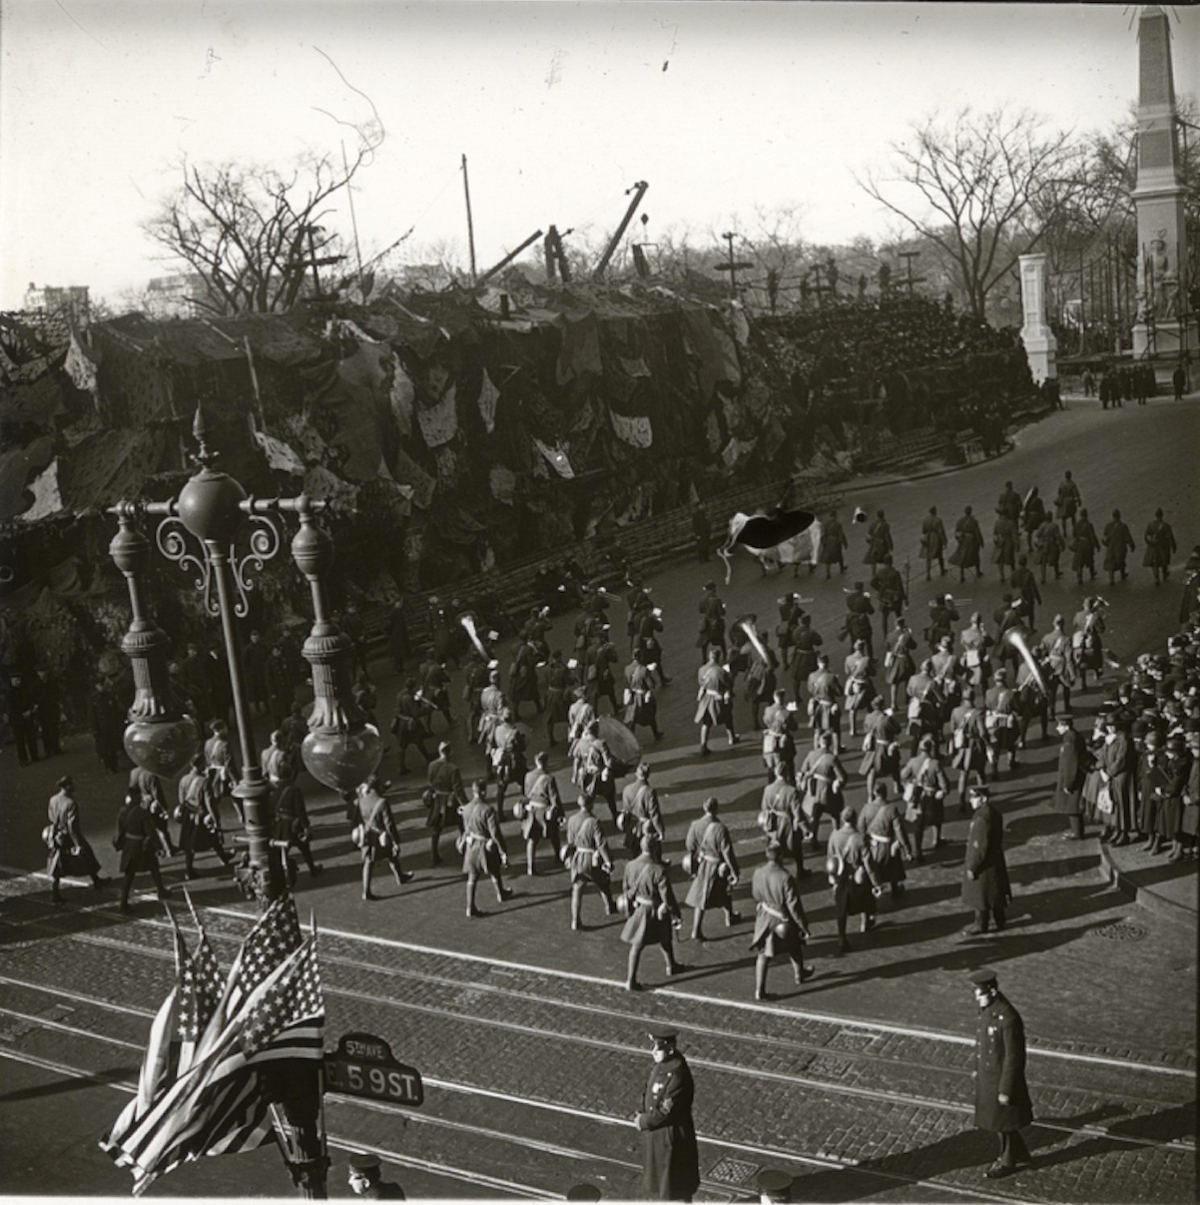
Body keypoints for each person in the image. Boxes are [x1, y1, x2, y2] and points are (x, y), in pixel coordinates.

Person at [968, 968, 1034, 1179]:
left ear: (993, 991)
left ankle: (1008, 1162)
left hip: (1001, 1082)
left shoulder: (1008, 1018)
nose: (977, 998)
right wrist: (978, 1070)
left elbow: (1014, 1058)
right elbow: (983, 1043)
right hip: (989, 1078)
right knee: (1001, 1122)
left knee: (1003, 1123)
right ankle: (1021, 1154)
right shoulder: (989, 1010)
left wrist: (1006, 1089)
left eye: (980, 993)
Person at [634, 1026, 700, 1202]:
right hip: (660, 1138)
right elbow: (647, 1090)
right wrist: (641, 1109)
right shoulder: (662, 1066)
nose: (653, 1052)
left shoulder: (677, 1073)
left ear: (670, 1048)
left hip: (672, 1140)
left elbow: (666, 1111)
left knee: (675, 1188)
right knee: (665, 1187)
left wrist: (644, 1121)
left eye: (658, 1048)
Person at [620, 833, 686, 991]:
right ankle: (669, 966)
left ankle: (632, 978)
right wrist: (675, 913)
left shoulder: (631, 865)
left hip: (639, 908)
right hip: (655, 910)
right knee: (664, 937)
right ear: (656, 848)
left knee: (639, 944)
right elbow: (667, 896)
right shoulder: (659, 870)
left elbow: (626, 888)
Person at [748, 842, 813, 999]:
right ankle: (799, 974)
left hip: (764, 917)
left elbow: (755, 895)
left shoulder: (758, 873)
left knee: (763, 954)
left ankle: (759, 989)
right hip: (781, 919)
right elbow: (794, 905)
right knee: (795, 945)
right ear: (781, 857)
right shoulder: (785, 877)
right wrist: (803, 926)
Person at [826, 806, 883, 951]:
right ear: (855, 819)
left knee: (841, 909)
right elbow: (868, 862)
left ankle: (841, 937)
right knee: (866, 899)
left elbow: (830, 857)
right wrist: (876, 883)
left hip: (840, 876)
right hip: (857, 876)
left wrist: (831, 877)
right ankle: (865, 923)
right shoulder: (860, 838)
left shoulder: (835, 835)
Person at [683, 797, 739, 941]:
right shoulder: (720, 828)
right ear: (716, 809)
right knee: (722, 892)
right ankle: (727, 918)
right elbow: (727, 851)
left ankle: (698, 928)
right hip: (718, 866)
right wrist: (734, 870)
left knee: (702, 896)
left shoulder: (695, 825)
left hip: (703, 865)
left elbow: (690, 846)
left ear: (704, 807)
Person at [46, 775, 106, 903]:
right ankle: (96, 880)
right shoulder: (70, 803)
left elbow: (51, 817)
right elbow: (72, 826)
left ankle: (55, 893)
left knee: (57, 864)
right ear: (67, 787)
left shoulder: (53, 800)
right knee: (86, 854)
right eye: (71, 784)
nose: (73, 786)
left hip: (57, 835)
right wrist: (77, 844)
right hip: (68, 836)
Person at [353, 775, 414, 902]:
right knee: (391, 854)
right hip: (380, 835)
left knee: (369, 862)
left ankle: (368, 889)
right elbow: (389, 824)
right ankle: (370, 891)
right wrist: (395, 841)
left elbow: (357, 817)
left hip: (367, 833)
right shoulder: (382, 802)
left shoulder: (361, 799)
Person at [961, 786, 1012, 936]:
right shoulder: (994, 814)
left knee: (981, 895)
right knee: (996, 891)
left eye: (974, 797)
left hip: (983, 865)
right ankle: (1000, 920)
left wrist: (972, 866)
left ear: (983, 799)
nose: (971, 801)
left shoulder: (982, 818)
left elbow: (979, 846)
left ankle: (980, 924)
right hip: (995, 859)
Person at [177, 753, 234, 879]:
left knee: (188, 843)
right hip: (201, 815)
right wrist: (215, 818)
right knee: (212, 836)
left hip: (189, 814)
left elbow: (181, 800)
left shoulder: (183, 779)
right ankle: (223, 857)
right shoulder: (204, 781)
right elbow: (209, 802)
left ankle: (189, 869)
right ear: (200, 764)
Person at [459, 781, 512, 917]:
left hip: (471, 846)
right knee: (494, 869)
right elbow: (495, 833)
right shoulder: (487, 809)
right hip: (485, 847)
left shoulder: (466, 808)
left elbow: (466, 829)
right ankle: (501, 894)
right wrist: (503, 851)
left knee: (472, 876)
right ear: (483, 791)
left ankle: (470, 907)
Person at [563, 794, 616, 929]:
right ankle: (609, 906)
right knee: (603, 882)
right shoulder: (594, 821)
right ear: (591, 805)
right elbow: (601, 844)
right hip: (591, 858)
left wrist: (569, 858)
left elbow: (570, 842)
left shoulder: (572, 820)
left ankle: (575, 920)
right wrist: (608, 861)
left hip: (578, 857)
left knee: (577, 889)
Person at [113, 784, 166, 913]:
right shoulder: (142, 813)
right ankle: (161, 891)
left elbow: (119, 830)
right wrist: (159, 847)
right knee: (154, 867)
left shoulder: (122, 811)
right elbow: (151, 832)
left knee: (129, 875)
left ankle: (123, 902)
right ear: (136, 797)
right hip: (141, 846)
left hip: (128, 845)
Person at [900, 735, 949, 862]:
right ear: (931, 748)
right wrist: (943, 791)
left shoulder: (913, 761)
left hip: (917, 796)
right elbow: (943, 783)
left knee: (918, 825)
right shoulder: (935, 763)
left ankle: (918, 851)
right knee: (937, 818)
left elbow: (903, 775)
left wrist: (909, 783)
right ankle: (936, 839)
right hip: (931, 795)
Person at [859, 783, 913, 896]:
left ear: (874, 793)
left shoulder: (866, 808)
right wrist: (907, 850)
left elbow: (861, 828)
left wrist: (865, 843)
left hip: (873, 845)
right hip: (888, 845)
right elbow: (900, 831)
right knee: (893, 868)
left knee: (873, 868)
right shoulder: (892, 809)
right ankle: (895, 890)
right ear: (885, 793)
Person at [520, 750, 563, 875]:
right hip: (544, 811)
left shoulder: (528, 775)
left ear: (535, 761)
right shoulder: (549, 778)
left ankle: (530, 866)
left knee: (532, 839)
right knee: (554, 834)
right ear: (546, 762)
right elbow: (554, 799)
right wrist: (559, 814)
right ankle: (558, 856)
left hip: (531, 810)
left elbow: (526, 793)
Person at [424, 740, 467, 866]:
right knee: (462, 824)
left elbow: (430, 782)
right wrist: (465, 805)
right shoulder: (453, 769)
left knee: (436, 828)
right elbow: (458, 790)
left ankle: (434, 854)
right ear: (450, 752)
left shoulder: (431, 765)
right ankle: (465, 848)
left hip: (437, 800)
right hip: (450, 801)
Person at [273, 778, 323, 877]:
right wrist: (306, 826)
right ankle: (312, 869)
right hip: (293, 826)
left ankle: (278, 873)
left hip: (281, 825)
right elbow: (300, 810)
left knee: (282, 851)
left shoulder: (275, 789)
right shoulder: (295, 790)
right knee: (305, 848)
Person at [1052, 711, 1090, 840]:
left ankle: (1077, 832)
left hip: (1072, 779)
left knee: (1072, 806)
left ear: (1066, 726)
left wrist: (1068, 783)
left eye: (1059, 726)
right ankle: (1076, 831)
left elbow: (1070, 764)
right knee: (1073, 805)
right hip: (1078, 776)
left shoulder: (1069, 742)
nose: (1057, 728)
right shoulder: (1075, 737)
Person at [695, 646, 736, 755]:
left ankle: (703, 745)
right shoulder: (721, 671)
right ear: (718, 657)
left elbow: (701, 683)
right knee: (728, 717)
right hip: (718, 699)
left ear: (709, 657)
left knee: (706, 723)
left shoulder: (702, 669)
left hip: (706, 699)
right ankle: (732, 738)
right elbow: (729, 684)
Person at [620, 762, 665, 854]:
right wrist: (660, 831)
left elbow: (625, 809)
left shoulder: (627, 789)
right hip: (646, 826)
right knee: (653, 849)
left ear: (636, 774)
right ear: (648, 775)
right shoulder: (649, 791)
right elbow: (654, 814)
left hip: (632, 825)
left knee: (634, 851)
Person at [624, 648, 664, 741]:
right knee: (650, 713)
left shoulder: (627, 669)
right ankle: (656, 733)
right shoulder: (643, 670)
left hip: (633, 696)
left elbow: (627, 682)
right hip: (642, 696)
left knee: (632, 717)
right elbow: (651, 684)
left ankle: (630, 738)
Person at [883, 616, 917, 712]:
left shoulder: (890, 635)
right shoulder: (905, 636)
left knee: (894, 682)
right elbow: (914, 646)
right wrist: (909, 634)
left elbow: (886, 646)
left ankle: (894, 704)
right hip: (905, 659)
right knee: (908, 679)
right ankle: (908, 700)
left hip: (895, 660)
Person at [869, 553, 907, 638]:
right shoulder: (895, 573)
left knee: (885, 617)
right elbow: (899, 587)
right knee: (898, 614)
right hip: (894, 597)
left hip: (885, 596)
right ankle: (902, 630)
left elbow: (873, 583)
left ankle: (885, 634)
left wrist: (881, 589)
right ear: (891, 561)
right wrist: (904, 597)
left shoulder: (880, 572)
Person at [1142, 508, 1177, 586]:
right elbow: (1170, 537)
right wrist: (1173, 546)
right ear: (1162, 515)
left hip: (1153, 547)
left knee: (1155, 563)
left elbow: (1146, 536)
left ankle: (1156, 578)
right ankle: (1164, 574)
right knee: (1164, 561)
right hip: (1163, 547)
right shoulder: (1165, 525)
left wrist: (1150, 543)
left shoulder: (1150, 524)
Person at [949, 505, 984, 581]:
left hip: (963, 541)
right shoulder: (974, 521)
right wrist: (981, 542)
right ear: (971, 512)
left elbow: (957, 532)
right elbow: (977, 533)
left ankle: (962, 575)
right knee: (975, 556)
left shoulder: (960, 521)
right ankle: (977, 571)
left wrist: (959, 540)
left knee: (962, 557)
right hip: (972, 541)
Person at [1102, 508, 1135, 585]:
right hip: (1120, 547)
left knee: (1111, 562)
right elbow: (1128, 537)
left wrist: (1106, 544)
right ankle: (1122, 574)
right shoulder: (1123, 526)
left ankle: (1111, 578)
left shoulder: (1108, 525)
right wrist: (1131, 545)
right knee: (1121, 561)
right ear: (1119, 516)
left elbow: (1104, 537)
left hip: (1111, 547)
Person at [1071, 508, 1099, 584]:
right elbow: (1092, 536)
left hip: (1079, 543)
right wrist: (1097, 545)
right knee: (1090, 559)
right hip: (1087, 544)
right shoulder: (1088, 525)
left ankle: (1079, 577)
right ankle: (1092, 573)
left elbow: (1074, 534)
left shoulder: (1076, 524)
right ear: (1086, 515)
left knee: (1080, 562)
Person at [1033, 515, 1064, 583]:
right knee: (1055, 558)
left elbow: (1037, 536)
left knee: (1043, 562)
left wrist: (1037, 544)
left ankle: (1043, 578)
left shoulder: (1041, 525)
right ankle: (1057, 573)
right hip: (1051, 545)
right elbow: (1058, 536)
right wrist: (1062, 545)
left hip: (1043, 545)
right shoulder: (1054, 526)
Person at [817, 508, 847, 578]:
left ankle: (828, 573)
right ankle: (841, 568)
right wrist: (844, 542)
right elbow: (840, 534)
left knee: (828, 558)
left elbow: (824, 534)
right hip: (835, 542)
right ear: (836, 516)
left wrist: (823, 543)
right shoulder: (838, 524)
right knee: (839, 555)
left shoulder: (826, 524)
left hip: (828, 541)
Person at [920, 505, 947, 580]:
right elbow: (941, 531)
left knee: (928, 557)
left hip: (928, 538)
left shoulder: (925, 520)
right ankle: (942, 569)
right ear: (935, 511)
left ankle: (928, 574)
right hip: (936, 538)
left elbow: (923, 531)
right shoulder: (938, 520)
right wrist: (944, 541)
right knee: (939, 554)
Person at [991, 511, 1018, 584]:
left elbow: (994, 533)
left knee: (1000, 559)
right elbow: (1014, 535)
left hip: (1000, 541)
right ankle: (1013, 574)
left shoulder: (997, 522)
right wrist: (1016, 544)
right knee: (1011, 559)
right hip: (1009, 541)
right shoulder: (1011, 523)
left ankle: (1002, 576)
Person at [863, 509, 893, 574]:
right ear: (883, 515)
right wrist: (890, 546)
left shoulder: (873, 524)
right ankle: (885, 572)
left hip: (874, 544)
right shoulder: (885, 525)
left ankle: (873, 573)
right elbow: (887, 537)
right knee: (884, 559)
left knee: (873, 559)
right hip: (882, 545)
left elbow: (868, 536)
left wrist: (871, 543)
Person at [1053, 470, 1081, 538]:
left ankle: (1064, 532)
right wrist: (1079, 501)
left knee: (1063, 518)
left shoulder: (1061, 484)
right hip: (1070, 502)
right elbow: (1076, 494)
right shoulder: (1072, 484)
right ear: (1070, 476)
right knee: (1073, 517)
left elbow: (1059, 493)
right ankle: (1074, 532)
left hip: (1063, 502)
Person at [1020, 487, 1046, 552]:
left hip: (1030, 518)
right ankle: (1039, 543)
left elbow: (1025, 510)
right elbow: (1041, 510)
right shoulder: (1038, 500)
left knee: (1029, 533)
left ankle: (1029, 546)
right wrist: (1044, 518)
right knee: (1040, 531)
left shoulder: (1028, 501)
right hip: (1037, 518)